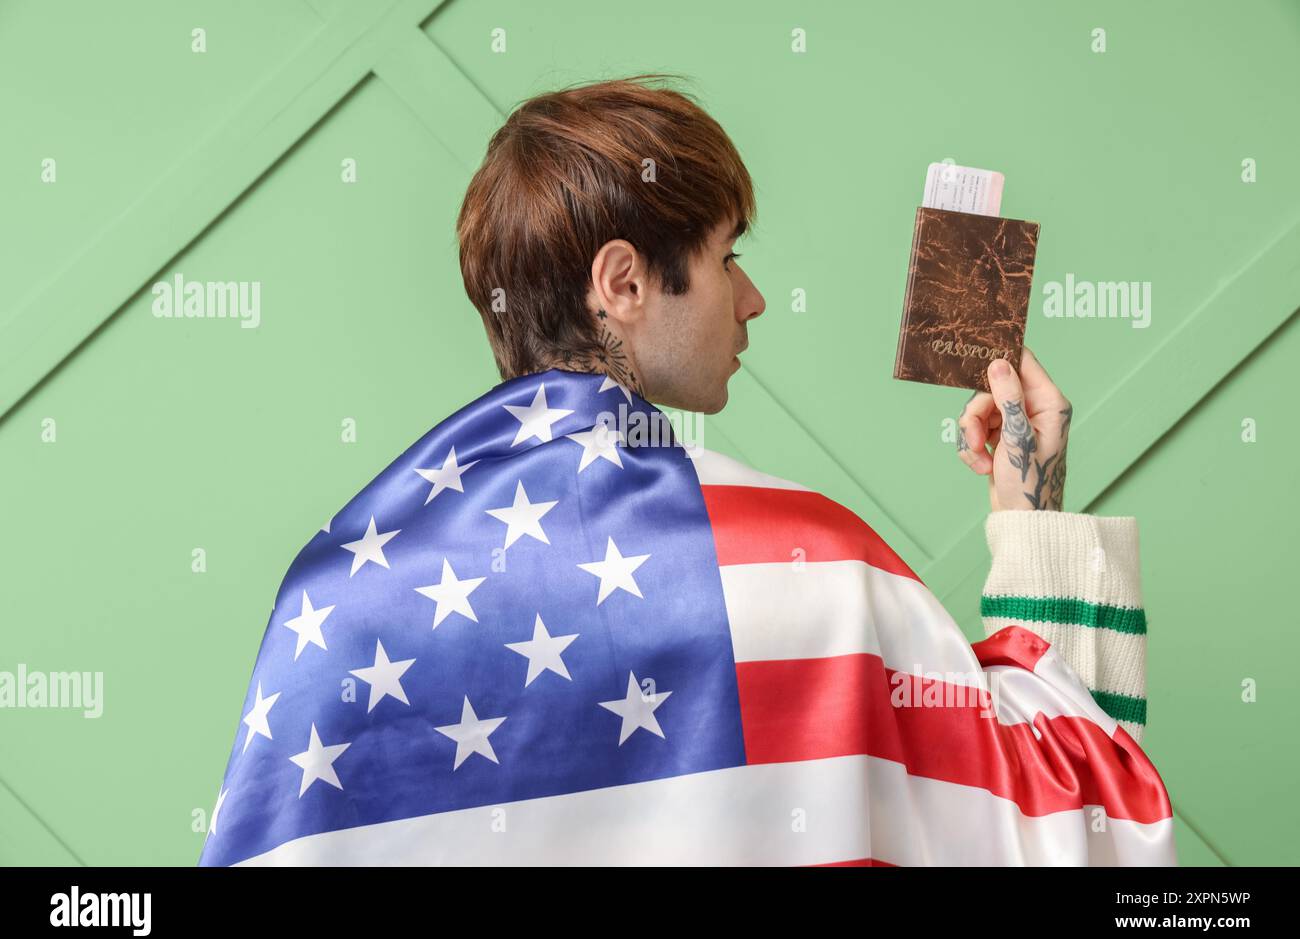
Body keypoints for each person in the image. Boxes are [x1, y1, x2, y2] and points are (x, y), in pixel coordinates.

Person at [198, 74, 1173, 866]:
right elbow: (1074, 829)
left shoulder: (329, 595)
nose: (751, 298)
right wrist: (1032, 518)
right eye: (724, 257)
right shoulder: (810, 569)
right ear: (623, 283)